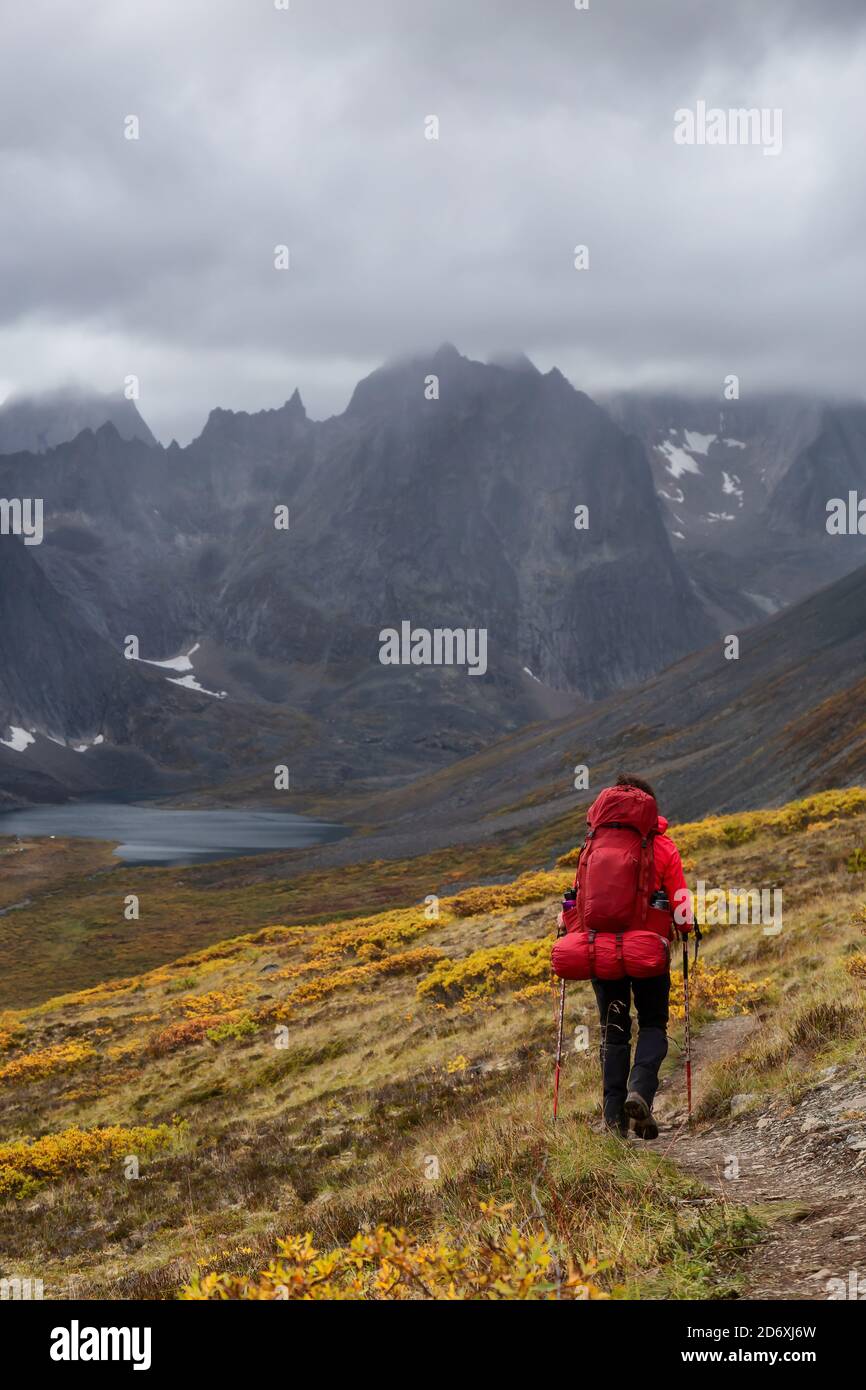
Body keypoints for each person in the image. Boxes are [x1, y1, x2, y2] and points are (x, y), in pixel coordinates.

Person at [589, 774, 692, 1139]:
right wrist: (686, 928)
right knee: (652, 1025)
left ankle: (614, 1122)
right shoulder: (664, 847)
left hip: (603, 951)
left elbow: (576, 899)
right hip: (648, 953)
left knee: (613, 1034)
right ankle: (640, 1091)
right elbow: (680, 903)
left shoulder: (593, 843)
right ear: (649, 808)